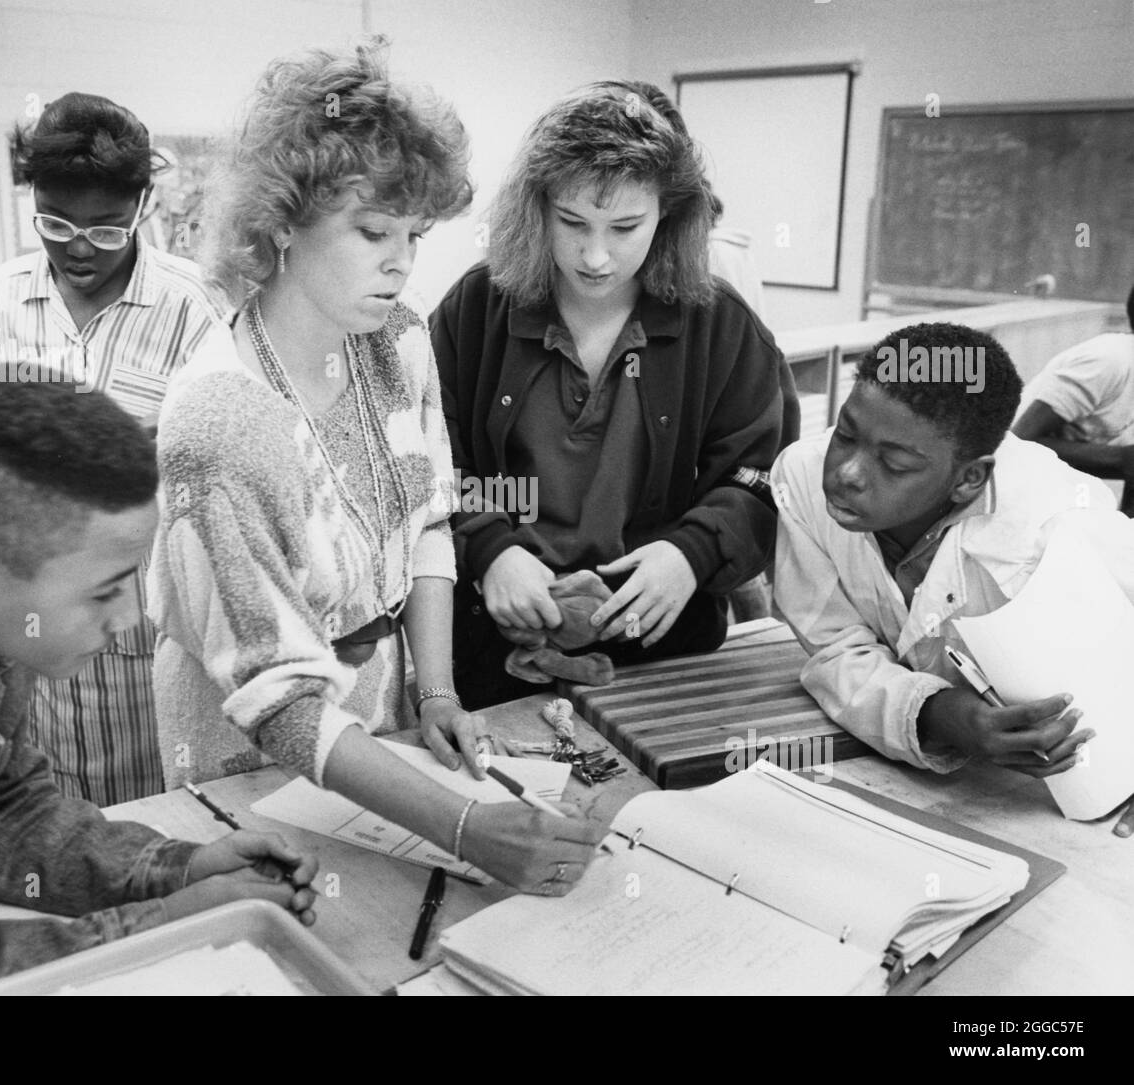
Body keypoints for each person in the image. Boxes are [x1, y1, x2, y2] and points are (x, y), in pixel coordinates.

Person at [147, 40, 601, 896]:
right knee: (297, 920)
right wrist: (466, 826)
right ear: (282, 221)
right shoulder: (217, 422)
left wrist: (436, 694)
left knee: (394, 912)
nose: (401, 261)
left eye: (413, 235)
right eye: (371, 231)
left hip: (378, 707)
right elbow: (276, 698)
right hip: (245, 743)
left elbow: (429, 518)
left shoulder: (396, 340)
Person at [0, 367, 317, 995]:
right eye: (104, 591)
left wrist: (175, 869)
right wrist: (159, 926)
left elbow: (2, 812)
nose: (129, 616)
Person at [430, 80, 799, 710]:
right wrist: (489, 548)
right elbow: (430, 457)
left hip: (664, 651)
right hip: (496, 645)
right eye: (571, 222)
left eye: (625, 227)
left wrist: (693, 553)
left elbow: (763, 475)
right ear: (536, 208)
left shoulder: (718, 323)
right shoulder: (477, 309)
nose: (595, 256)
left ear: (669, 216)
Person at [0, 92, 227, 804]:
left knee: (147, 821)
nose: (76, 246)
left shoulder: (193, 306)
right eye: (55, 222)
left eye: (105, 229)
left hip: (135, 625)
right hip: (22, 624)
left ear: (142, 207)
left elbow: (230, 467)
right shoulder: (5, 296)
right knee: (35, 811)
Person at [772, 322, 1134, 799]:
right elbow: (834, 648)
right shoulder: (800, 475)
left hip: (1052, 794)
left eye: (894, 464)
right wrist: (939, 714)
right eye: (845, 434)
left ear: (969, 479)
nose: (848, 473)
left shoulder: (1061, 524)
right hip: (940, 784)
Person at [1012, 282, 1134, 515]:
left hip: (1059, 499)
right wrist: (1122, 459)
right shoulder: (1108, 361)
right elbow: (1018, 442)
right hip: (1009, 496)